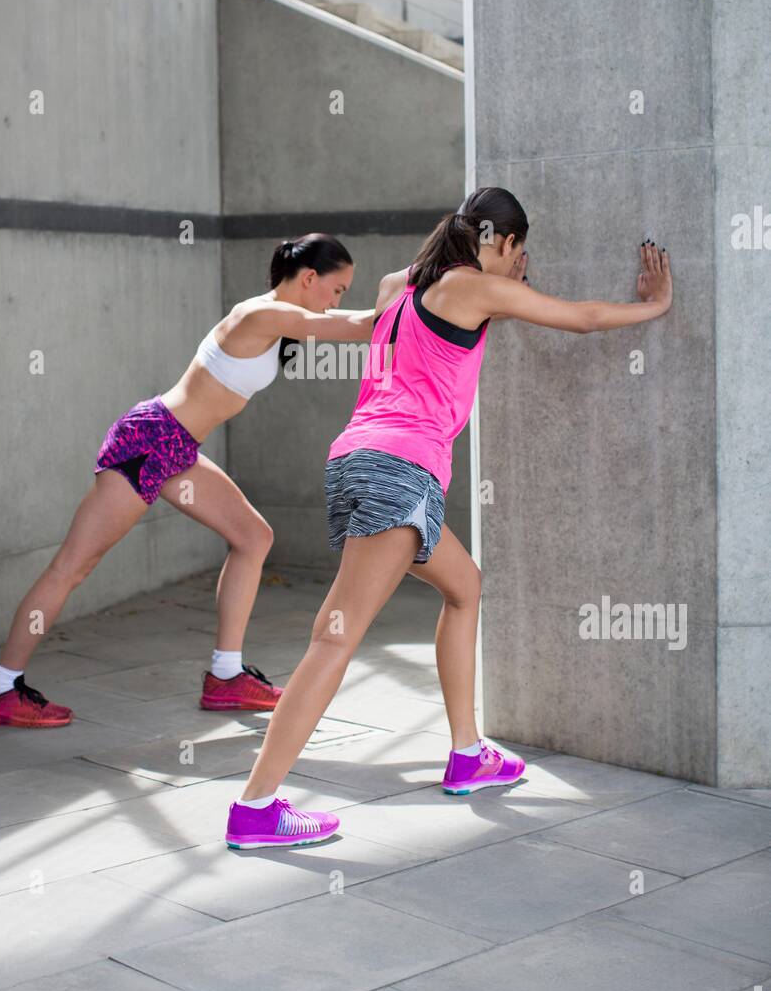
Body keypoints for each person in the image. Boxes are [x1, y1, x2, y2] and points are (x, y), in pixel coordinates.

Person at [225, 187, 674, 849]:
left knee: (464, 587)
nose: (521, 267)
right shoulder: (471, 287)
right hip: (397, 470)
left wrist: (497, 274)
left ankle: (468, 753)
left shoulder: (400, 285)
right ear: (507, 242)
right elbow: (580, 317)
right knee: (334, 636)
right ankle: (256, 808)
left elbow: (426, 309)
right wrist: (654, 304)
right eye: (521, 252)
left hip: (357, 461)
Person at [0, 235, 375, 728]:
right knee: (74, 565)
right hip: (148, 441)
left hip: (177, 448)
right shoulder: (260, 315)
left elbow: (353, 323)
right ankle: (0, 688)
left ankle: (226, 678)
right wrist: (433, 287)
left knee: (253, 538)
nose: (337, 300)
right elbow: (361, 325)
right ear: (309, 278)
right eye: (336, 289)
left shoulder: (283, 322)